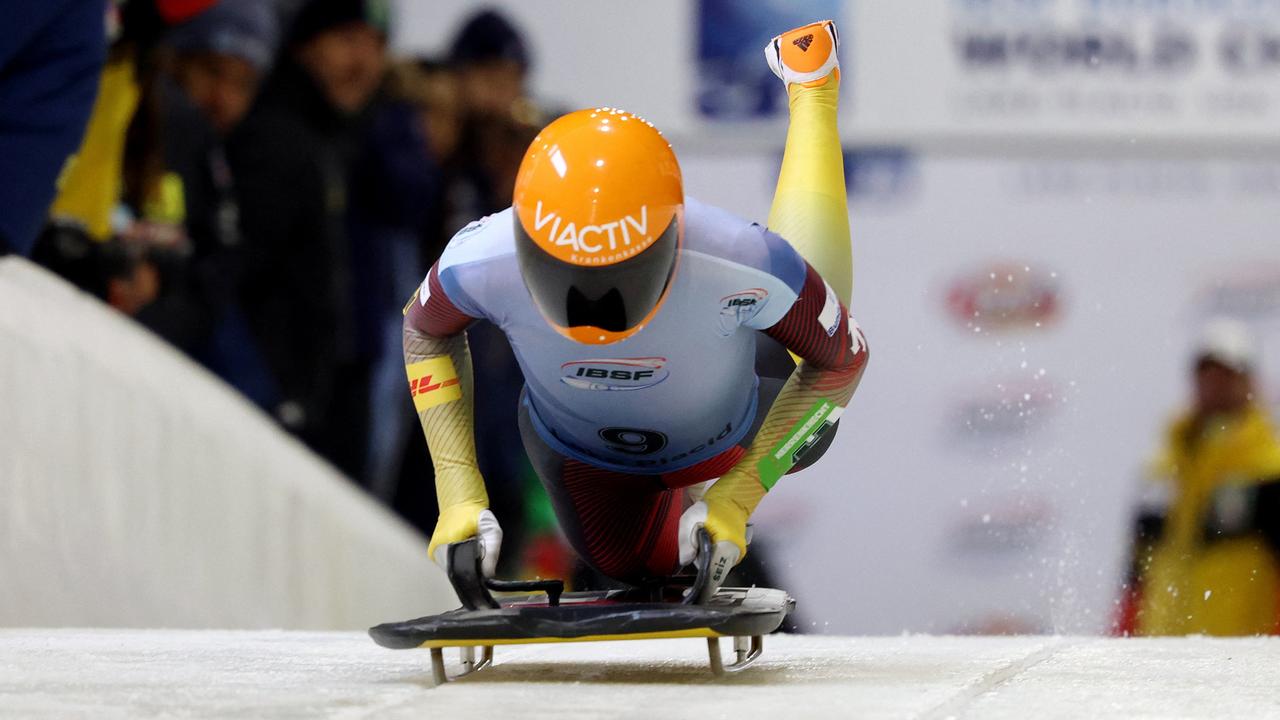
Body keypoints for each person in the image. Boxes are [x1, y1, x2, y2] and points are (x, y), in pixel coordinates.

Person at [403, 21, 868, 595]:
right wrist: (459, 494)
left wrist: (738, 495)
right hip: (586, 450)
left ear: (672, 240)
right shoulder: (479, 258)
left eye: (618, 276)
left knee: (813, 372)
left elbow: (841, 360)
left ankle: (812, 89)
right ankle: (685, 508)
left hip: (736, 422)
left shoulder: (740, 257)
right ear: (524, 243)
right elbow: (424, 333)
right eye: (565, 273)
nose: (595, 311)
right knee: (633, 566)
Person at [228, 0, 388, 469]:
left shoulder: (332, 144)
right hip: (254, 411)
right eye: (348, 41)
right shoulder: (278, 140)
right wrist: (271, 396)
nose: (365, 63)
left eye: (377, 46)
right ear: (303, 46)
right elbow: (231, 281)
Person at [1123, 318, 1280, 635]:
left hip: (1241, 655)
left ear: (1249, 383)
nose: (1215, 386)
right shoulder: (1163, 469)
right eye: (1206, 375)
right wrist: (1123, 634)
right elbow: (1137, 571)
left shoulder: (1269, 470)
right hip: (1162, 653)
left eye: (1227, 376)